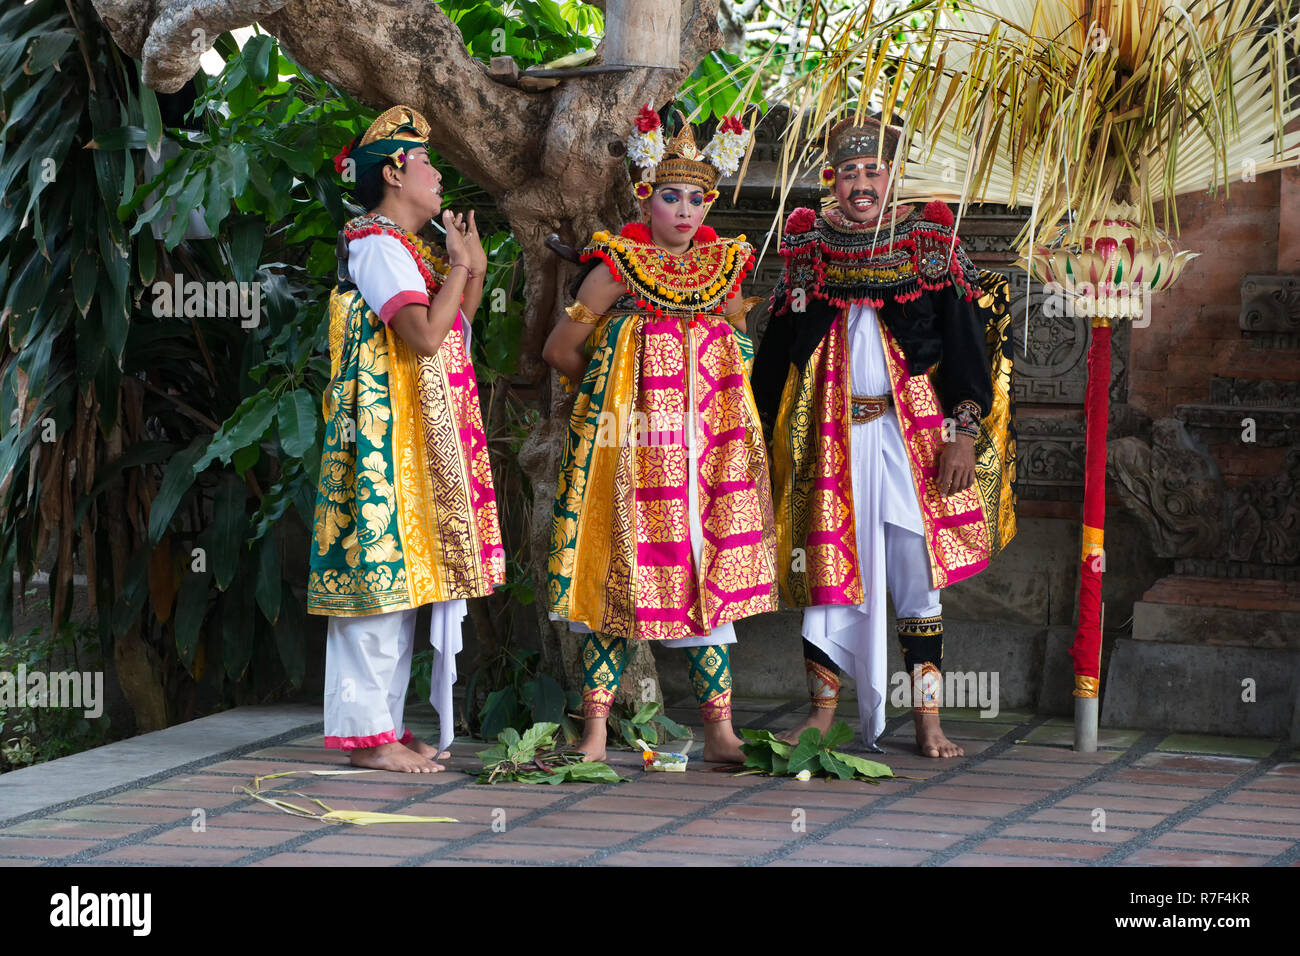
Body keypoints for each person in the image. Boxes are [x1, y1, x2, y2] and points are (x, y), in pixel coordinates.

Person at [752, 112, 1016, 758]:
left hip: (912, 441)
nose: (862, 184)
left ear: (893, 175)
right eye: (850, 173)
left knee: (916, 574)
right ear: (831, 180)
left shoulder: (929, 246)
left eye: (873, 171)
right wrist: (755, 444)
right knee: (826, 574)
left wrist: (962, 434)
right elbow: (774, 360)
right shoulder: (808, 253)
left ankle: (927, 719)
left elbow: (965, 351)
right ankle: (821, 713)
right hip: (831, 444)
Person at [543, 108, 777, 764]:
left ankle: (720, 731)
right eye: (671, 196)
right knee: (621, 589)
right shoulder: (618, 266)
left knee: (709, 588)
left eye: (698, 199)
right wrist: (620, 389)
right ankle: (592, 734)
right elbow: (562, 349)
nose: (685, 210)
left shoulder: (724, 269)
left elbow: (740, 351)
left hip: (706, 459)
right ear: (646, 196)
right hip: (633, 459)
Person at [307, 106, 505, 772]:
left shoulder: (404, 248)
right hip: (378, 441)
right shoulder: (374, 242)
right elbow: (421, 335)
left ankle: (383, 729)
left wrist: (468, 270)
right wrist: (456, 270)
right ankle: (368, 738)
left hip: (405, 439)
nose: (439, 176)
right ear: (394, 172)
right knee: (375, 583)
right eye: (427, 163)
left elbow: (451, 331)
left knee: (401, 582)